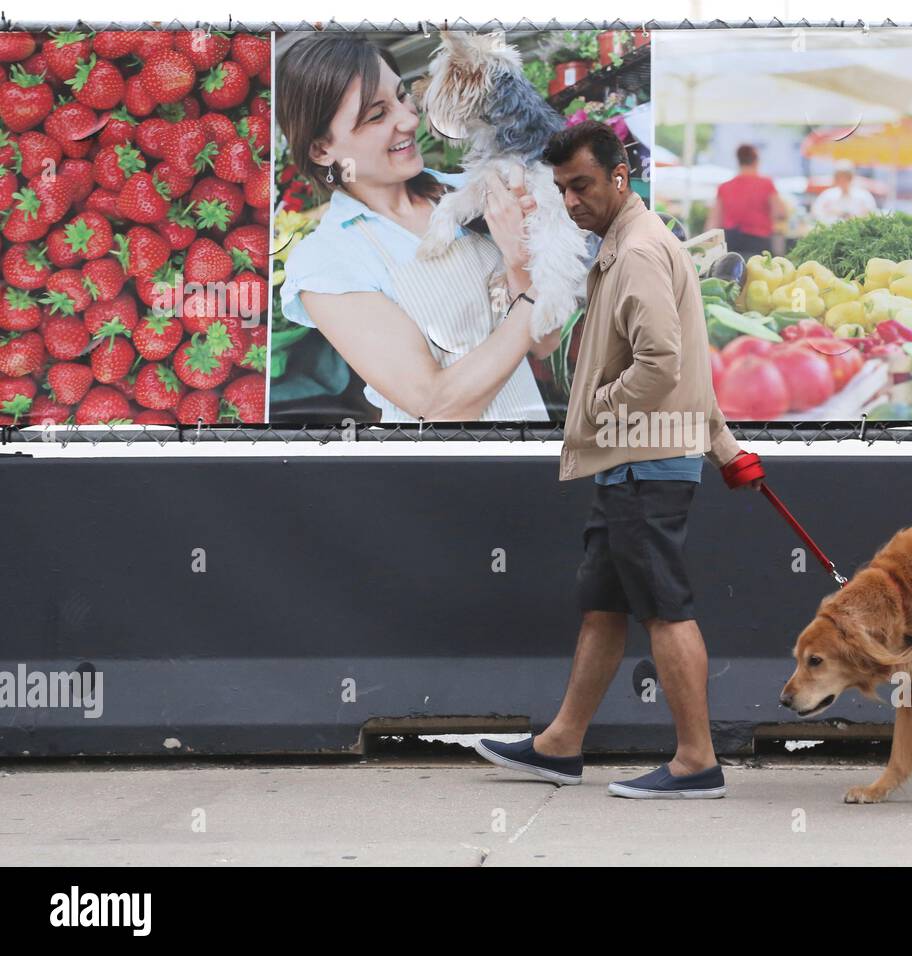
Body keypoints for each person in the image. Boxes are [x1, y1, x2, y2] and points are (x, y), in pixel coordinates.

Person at [475, 121, 764, 799]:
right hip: (639, 461)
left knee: (665, 610)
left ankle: (697, 762)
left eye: (582, 185)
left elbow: (662, 364)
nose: (571, 200)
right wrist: (725, 449)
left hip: (645, 464)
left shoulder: (635, 253)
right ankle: (560, 744)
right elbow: (690, 365)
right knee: (604, 608)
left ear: (619, 178)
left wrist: (600, 403)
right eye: (562, 188)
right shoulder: (636, 243)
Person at [275, 34, 561, 423]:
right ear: (322, 149)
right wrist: (529, 292)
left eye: (402, 96)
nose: (410, 120)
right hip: (444, 474)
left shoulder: (470, 193)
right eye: (377, 115)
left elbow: (546, 343)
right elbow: (436, 405)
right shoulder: (327, 263)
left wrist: (520, 267)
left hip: (533, 447)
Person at [705, 144, 786, 259]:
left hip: (731, 243)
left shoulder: (724, 187)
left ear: (739, 161)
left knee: (730, 274)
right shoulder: (766, 184)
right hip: (758, 243)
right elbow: (780, 213)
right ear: (756, 161)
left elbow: (714, 221)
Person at [810, 158, 879, 224]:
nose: (842, 180)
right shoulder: (828, 195)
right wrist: (831, 212)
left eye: (845, 177)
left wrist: (855, 216)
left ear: (851, 177)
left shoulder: (863, 195)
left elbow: (871, 213)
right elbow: (816, 211)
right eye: (839, 177)